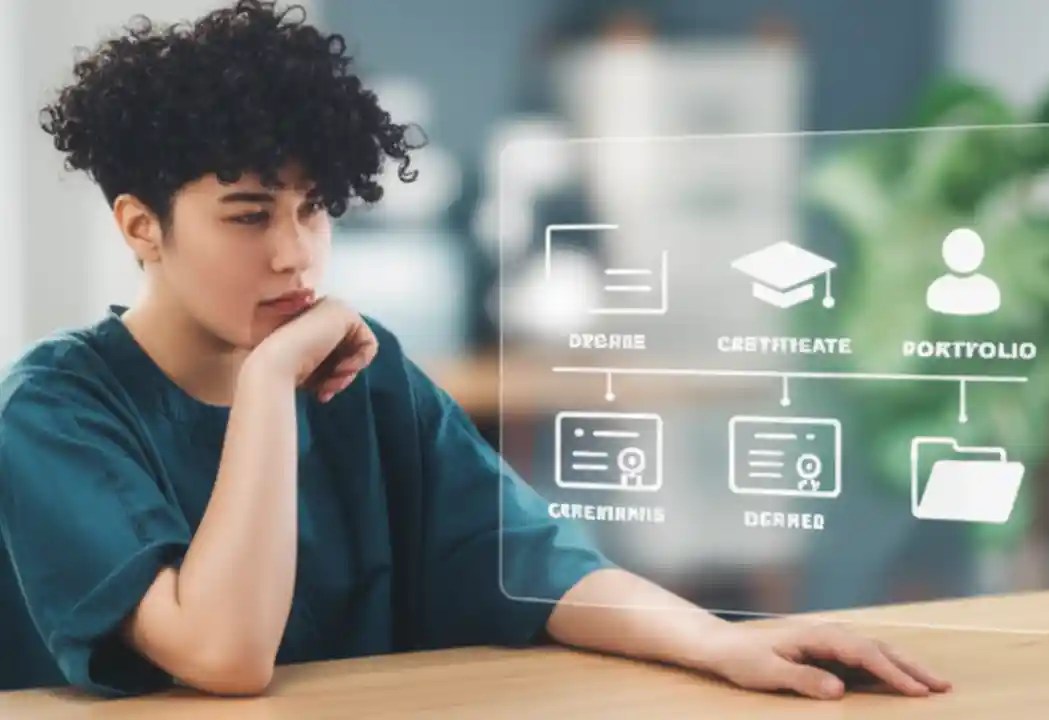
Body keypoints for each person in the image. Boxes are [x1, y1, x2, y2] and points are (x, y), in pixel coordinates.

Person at [0, 0, 951, 701]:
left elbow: (532, 559)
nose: (293, 252)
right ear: (141, 227)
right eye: (249, 216)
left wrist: (721, 644)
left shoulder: (370, 380)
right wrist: (266, 384)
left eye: (314, 209)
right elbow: (221, 655)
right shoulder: (54, 412)